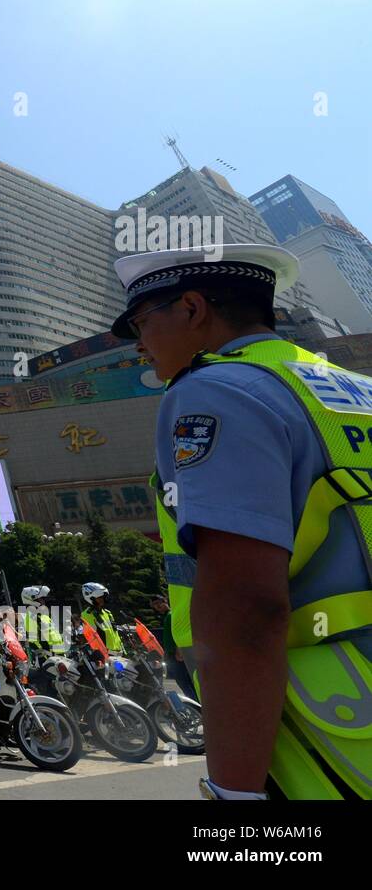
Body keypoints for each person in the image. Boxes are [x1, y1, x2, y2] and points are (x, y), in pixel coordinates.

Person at [112, 241, 372, 800]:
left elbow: (246, 609)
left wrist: (235, 795)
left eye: (141, 323)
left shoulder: (215, 390)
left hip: (330, 725)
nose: (139, 345)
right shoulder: (351, 388)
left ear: (192, 308)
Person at [151, 594, 197, 701]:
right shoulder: (167, 616)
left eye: (159, 603)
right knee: (185, 683)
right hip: (172, 655)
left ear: (165, 601)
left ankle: (198, 707)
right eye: (154, 605)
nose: (158, 606)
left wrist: (179, 649)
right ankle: (198, 706)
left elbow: (178, 633)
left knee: (185, 683)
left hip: (176, 655)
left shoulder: (171, 615)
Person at [20, 585, 66, 656]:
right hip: (50, 657)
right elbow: (35, 640)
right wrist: (47, 655)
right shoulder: (31, 617)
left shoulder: (42, 615)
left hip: (59, 654)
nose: (43, 601)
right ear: (32, 600)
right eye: (40, 599)